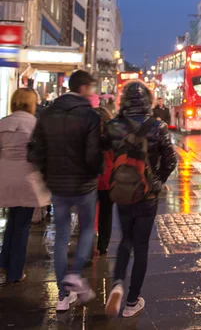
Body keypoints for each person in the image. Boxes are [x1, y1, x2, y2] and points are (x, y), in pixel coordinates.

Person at [28, 70, 103, 311]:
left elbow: (35, 150)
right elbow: (93, 154)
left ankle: (63, 296)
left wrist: (47, 173)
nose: (92, 93)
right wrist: (96, 172)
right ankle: (74, 275)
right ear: (83, 89)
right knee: (86, 231)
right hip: (83, 185)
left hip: (57, 185)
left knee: (60, 236)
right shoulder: (89, 115)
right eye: (90, 89)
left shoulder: (48, 113)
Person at [104, 81, 177, 318]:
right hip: (147, 194)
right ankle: (132, 302)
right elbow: (171, 160)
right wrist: (157, 181)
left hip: (122, 190)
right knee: (142, 245)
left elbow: (103, 151)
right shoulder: (158, 126)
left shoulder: (113, 125)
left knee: (125, 239)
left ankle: (117, 284)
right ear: (149, 100)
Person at [0, 89, 51, 283]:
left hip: (6, 178)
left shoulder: (3, 122)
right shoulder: (36, 125)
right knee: (22, 225)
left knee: (12, 221)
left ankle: (4, 262)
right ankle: (15, 272)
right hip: (27, 179)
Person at [95, 107, 114, 256]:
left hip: (91, 179)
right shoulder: (112, 135)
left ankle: (88, 246)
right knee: (106, 214)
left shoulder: (89, 134)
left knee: (88, 215)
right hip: (108, 180)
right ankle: (103, 245)